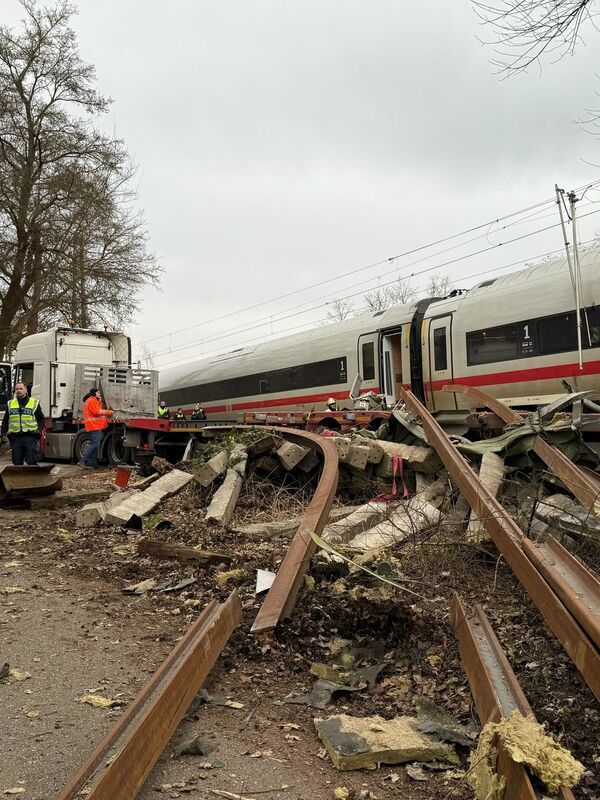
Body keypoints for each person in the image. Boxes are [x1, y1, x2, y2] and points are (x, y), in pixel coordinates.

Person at [1, 382, 45, 465]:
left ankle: (33, 473)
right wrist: (3, 433)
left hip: (30, 436)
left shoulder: (34, 403)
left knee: (31, 460)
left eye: (21, 389)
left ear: (26, 390)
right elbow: (5, 420)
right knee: (17, 462)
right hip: (15, 437)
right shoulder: (10, 403)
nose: (19, 391)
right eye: (17, 389)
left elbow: (41, 419)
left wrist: (39, 430)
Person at [80, 387, 113, 469]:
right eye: (98, 393)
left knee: (94, 444)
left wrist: (99, 401)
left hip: (92, 425)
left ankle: (93, 464)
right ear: (94, 394)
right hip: (94, 425)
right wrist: (109, 412)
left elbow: (96, 410)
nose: (99, 394)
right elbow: (97, 412)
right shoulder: (92, 400)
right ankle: (82, 460)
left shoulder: (90, 400)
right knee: (95, 444)